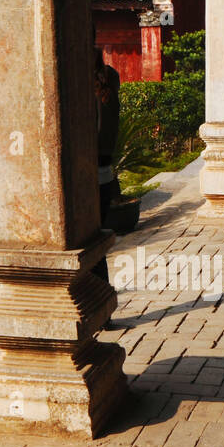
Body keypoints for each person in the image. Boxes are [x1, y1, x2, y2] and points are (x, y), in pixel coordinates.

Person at [93, 46, 120, 283]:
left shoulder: (84, 86)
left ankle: (99, 301)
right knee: (96, 242)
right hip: (106, 173)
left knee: (89, 245)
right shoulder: (112, 77)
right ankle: (102, 300)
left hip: (89, 174)